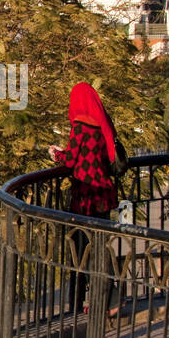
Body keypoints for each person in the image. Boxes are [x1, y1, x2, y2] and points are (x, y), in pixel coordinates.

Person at [49, 82, 123, 312]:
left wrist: (55, 154)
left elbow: (71, 159)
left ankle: (87, 300)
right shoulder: (103, 125)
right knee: (102, 246)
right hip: (105, 194)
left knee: (84, 249)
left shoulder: (81, 126)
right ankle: (111, 300)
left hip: (87, 196)